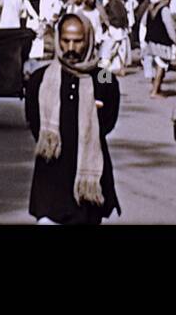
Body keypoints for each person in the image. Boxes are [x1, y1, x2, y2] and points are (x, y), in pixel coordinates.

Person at [25, 13, 120, 224]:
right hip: (51, 179)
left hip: (89, 181)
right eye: (65, 40)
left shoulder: (102, 77)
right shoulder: (40, 79)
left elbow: (109, 119)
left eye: (77, 41)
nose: (70, 47)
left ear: (89, 41)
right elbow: (34, 122)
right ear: (58, 40)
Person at [143, 0, 176, 99]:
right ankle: (155, 91)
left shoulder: (152, 8)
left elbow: (144, 22)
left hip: (151, 40)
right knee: (161, 66)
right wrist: (175, 40)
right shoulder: (164, 10)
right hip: (161, 41)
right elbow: (169, 27)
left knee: (157, 65)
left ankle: (156, 88)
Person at [101, 0, 130, 75]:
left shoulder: (112, 4)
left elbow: (110, 16)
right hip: (120, 29)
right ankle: (121, 69)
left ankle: (108, 70)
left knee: (110, 50)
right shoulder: (118, 3)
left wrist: (108, 24)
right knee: (120, 50)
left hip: (114, 29)